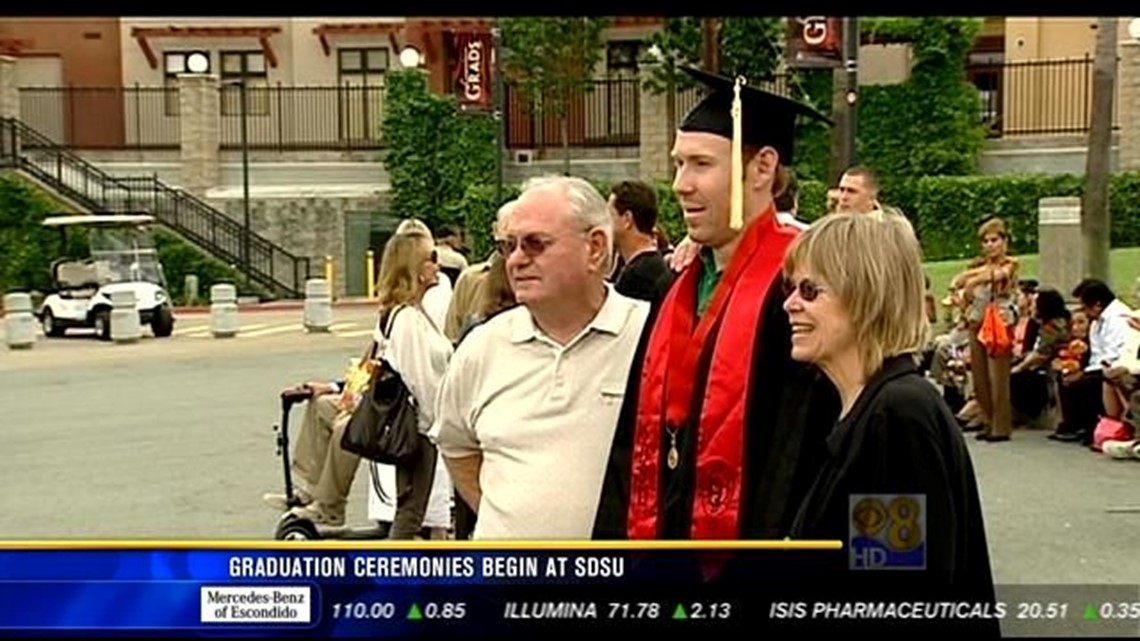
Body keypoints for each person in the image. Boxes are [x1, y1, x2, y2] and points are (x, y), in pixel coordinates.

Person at [593, 66, 840, 541]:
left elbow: (807, 446)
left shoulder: (802, 289)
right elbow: (636, 442)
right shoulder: (678, 284)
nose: (680, 184)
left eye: (701, 164)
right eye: (678, 164)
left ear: (763, 168)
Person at [783, 211, 998, 621]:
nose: (790, 303)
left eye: (810, 290)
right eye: (792, 288)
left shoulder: (896, 415)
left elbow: (897, 592)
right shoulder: (864, 407)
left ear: (865, 295)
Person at [435, 175, 651, 539]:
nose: (516, 260)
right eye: (509, 246)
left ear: (595, 248)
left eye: (535, 244)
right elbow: (455, 445)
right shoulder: (481, 347)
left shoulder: (650, 334)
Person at [292, 226, 454, 539]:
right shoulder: (406, 318)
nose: (438, 264)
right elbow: (418, 380)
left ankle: (327, 503)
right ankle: (391, 573)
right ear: (415, 268)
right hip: (420, 427)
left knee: (409, 509)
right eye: (431, 258)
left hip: (415, 422)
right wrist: (442, 426)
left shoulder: (415, 311)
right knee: (410, 512)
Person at [607, 179, 674, 305]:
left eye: (610, 215)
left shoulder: (637, 279)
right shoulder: (655, 267)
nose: (605, 224)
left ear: (627, 219)